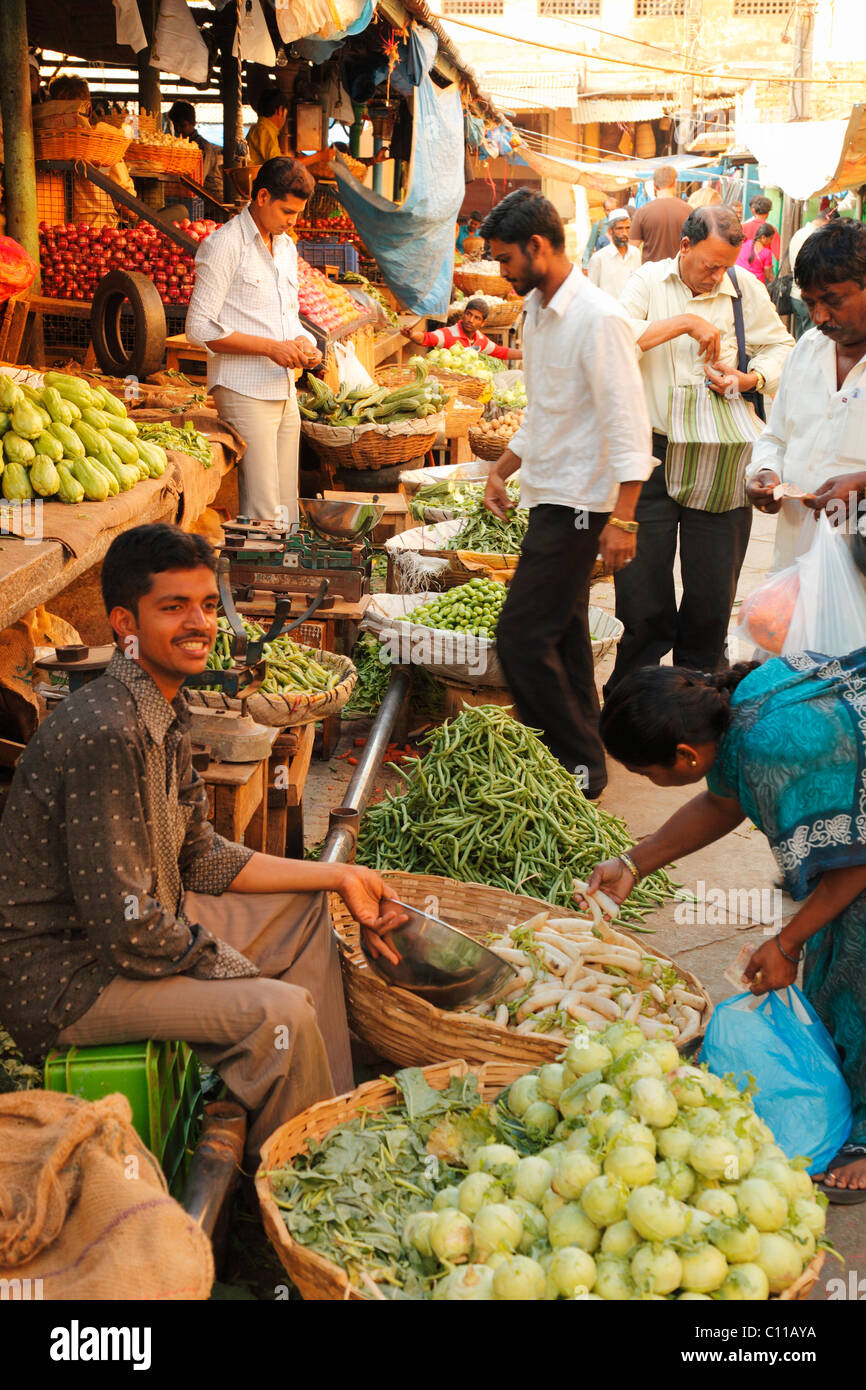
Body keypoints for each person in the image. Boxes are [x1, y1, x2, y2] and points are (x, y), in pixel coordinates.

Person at [0, 524, 405, 1168]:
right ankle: (308, 1184)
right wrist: (231, 967)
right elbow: (127, 932)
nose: (200, 624)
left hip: (135, 932)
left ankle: (325, 1119)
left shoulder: (164, 707)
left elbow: (200, 857)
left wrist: (333, 879)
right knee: (282, 1014)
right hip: (70, 980)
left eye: (209, 605)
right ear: (123, 624)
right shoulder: (106, 732)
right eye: (174, 608)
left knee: (304, 910)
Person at [587, 657, 866, 1201]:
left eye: (648, 775)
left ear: (686, 756)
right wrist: (633, 864)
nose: (651, 783)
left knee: (857, 946)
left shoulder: (773, 746)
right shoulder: (734, 709)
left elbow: (854, 864)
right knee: (841, 947)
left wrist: (786, 943)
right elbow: (722, 800)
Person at [479, 189, 654, 798]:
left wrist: (624, 517)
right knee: (564, 633)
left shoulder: (598, 318)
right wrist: (502, 468)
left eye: (506, 260)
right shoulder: (537, 314)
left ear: (538, 246)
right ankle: (588, 766)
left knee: (521, 638)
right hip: (549, 492)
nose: (502, 274)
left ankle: (568, 766)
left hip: (582, 504)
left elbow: (629, 423)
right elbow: (546, 412)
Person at [609, 206, 793, 694]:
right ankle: (637, 695)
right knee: (640, 589)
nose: (717, 276)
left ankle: (698, 696)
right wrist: (685, 322)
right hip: (650, 456)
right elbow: (614, 340)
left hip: (722, 456)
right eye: (709, 265)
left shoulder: (744, 289)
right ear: (684, 247)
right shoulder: (648, 282)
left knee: (713, 591)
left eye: (724, 267)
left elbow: (782, 347)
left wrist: (750, 377)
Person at [186, 157, 322, 524]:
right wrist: (270, 347)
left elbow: (287, 316)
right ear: (262, 196)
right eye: (287, 210)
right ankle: (262, 578)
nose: (293, 220)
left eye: (297, 212)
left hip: (283, 388)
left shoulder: (286, 247)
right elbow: (199, 327)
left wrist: (301, 343)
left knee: (286, 500)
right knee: (263, 505)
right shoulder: (225, 245)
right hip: (243, 388)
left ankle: (288, 573)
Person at [747, 219, 866, 576]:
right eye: (811, 303)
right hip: (796, 563)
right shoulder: (807, 350)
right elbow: (776, 436)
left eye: (833, 300)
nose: (819, 317)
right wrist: (766, 471)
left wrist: (862, 483)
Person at [402, 296, 522, 361]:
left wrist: (527, 355)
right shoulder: (449, 334)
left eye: (477, 318)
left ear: (483, 323)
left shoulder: (480, 340)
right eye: (469, 314)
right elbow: (427, 338)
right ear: (464, 314)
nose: (470, 320)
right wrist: (412, 335)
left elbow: (502, 352)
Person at [628, 166, 691, 264]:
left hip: (651, 275)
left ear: (654, 185)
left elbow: (632, 249)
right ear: (675, 183)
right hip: (679, 274)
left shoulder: (642, 212)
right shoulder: (689, 211)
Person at [787, 207, 832, 340]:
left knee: (801, 338)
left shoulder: (800, 232)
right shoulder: (815, 238)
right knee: (812, 340)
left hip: (796, 294)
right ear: (827, 221)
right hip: (807, 296)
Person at [166, 100, 223, 204]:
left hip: (212, 198)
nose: (179, 130)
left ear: (194, 123)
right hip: (193, 195)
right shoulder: (180, 145)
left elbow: (198, 180)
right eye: (175, 125)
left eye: (183, 126)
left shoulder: (203, 147)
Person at [587, 209, 641, 300]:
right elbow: (591, 293)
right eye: (620, 228)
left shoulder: (635, 254)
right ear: (610, 231)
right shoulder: (599, 258)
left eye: (627, 228)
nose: (624, 233)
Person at [246, 90, 289, 169]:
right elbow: (279, 166)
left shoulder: (259, 128)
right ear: (280, 110)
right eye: (286, 113)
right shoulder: (265, 130)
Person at [742, 194, 781, 264]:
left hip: (743, 268)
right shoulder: (773, 230)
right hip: (762, 269)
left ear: (754, 210)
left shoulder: (743, 227)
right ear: (768, 212)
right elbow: (778, 256)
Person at [736, 221, 776, 288]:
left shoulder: (744, 243)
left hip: (739, 281)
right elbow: (769, 276)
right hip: (756, 286)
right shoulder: (767, 253)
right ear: (763, 237)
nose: (771, 241)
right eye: (771, 238)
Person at [581, 196, 618, 270]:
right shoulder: (599, 225)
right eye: (608, 210)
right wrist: (585, 266)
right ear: (604, 210)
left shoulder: (623, 225)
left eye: (613, 210)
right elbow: (589, 247)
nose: (610, 213)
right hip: (602, 265)